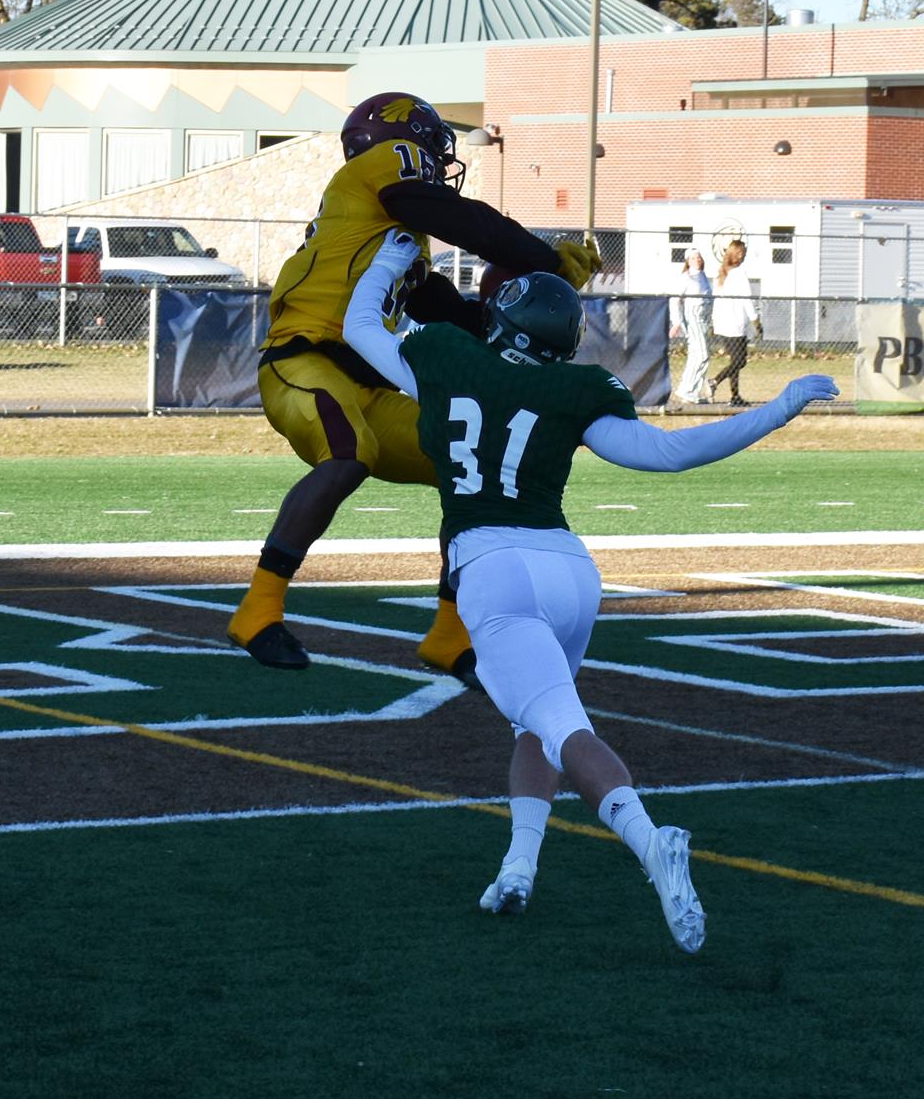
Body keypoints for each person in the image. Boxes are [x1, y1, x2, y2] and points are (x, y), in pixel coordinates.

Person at [342, 229, 837, 952]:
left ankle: (648, 840)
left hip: (493, 569)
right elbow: (669, 454)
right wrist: (778, 408)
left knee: (567, 732)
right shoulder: (578, 387)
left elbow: (358, 325)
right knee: (536, 727)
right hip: (570, 571)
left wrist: (390, 261)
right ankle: (518, 868)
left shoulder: (446, 357)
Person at [226, 91, 602, 682]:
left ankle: (449, 635)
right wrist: (542, 257)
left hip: (367, 383)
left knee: (468, 462)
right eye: (432, 145)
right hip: (305, 359)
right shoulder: (383, 169)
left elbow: (441, 306)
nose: (437, 160)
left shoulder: (391, 229)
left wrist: (518, 307)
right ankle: (258, 610)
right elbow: (464, 220)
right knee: (349, 456)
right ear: (401, 138)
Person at [708, 238, 760, 407]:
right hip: (735, 323)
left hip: (722, 323)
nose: (743, 257)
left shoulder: (721, 273)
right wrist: (756, 321)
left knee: (734, 361)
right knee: (740, 361)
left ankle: (735, 396)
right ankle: (715, 381)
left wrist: (714, 322)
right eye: (741, 253)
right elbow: (746, 300)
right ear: (736, 254)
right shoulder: (739, 273)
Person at [668, 246, 712, 406]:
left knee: (697, 356)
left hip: (703, 319)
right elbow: (675, 300)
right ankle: (687, 391)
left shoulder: (703, 276)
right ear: (688, 261)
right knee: (701, 355)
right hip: (692, 317)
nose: (697, 260)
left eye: (699, 257)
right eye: (693, 258)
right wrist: (677, 322)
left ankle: (690, 392)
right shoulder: (686, 277)